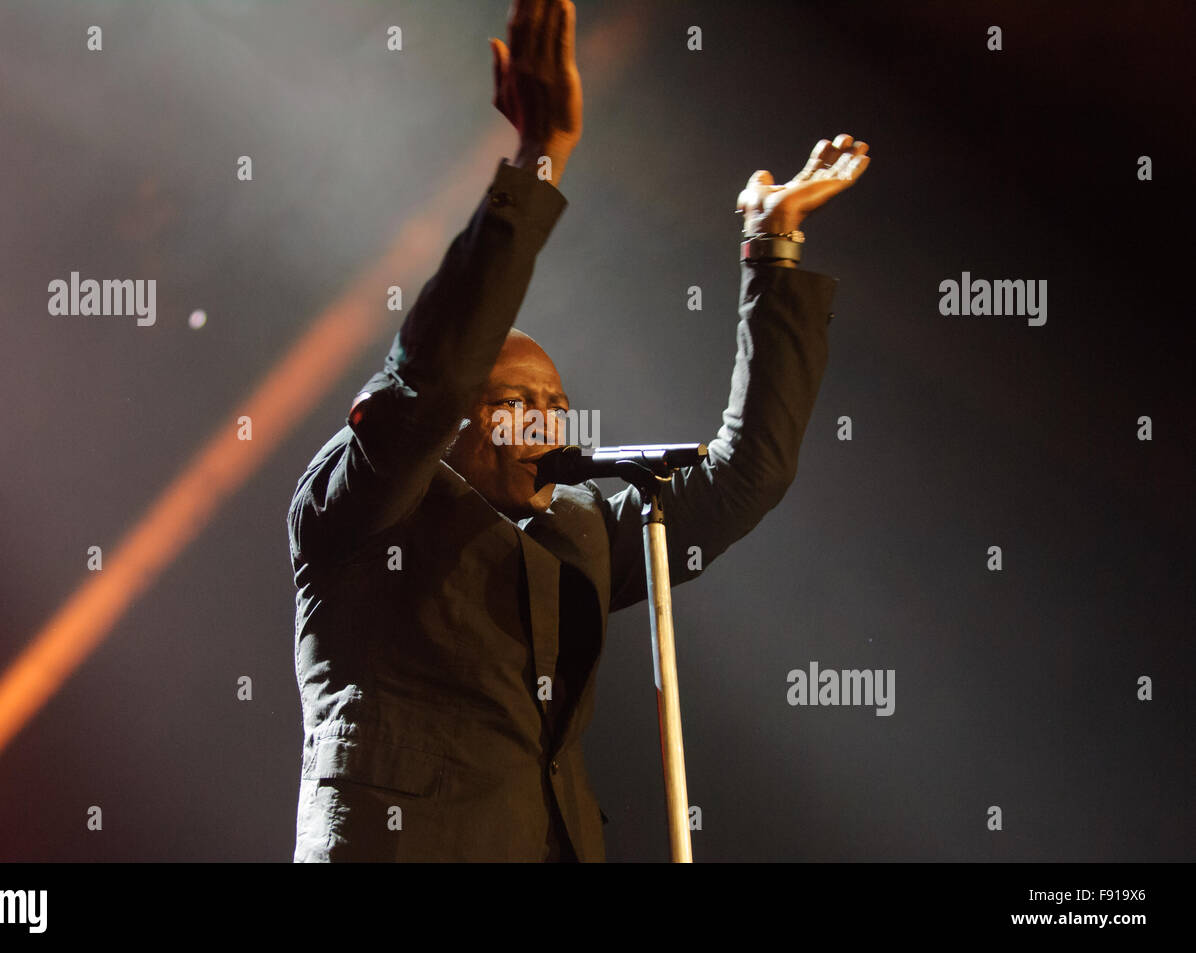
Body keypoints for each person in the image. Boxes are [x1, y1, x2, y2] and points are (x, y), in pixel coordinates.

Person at [287, 0, 869, 861]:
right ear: (448, 426)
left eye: (559, 406)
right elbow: (432, 375)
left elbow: (748, 472)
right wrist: (537, 160)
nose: (548, 424)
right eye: (517, 402)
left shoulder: (581, 533)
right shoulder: (360, 506)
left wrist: (771, 247)